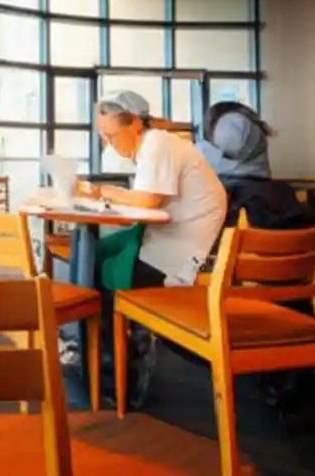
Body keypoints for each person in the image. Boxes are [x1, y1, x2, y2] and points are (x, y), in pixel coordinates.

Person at [80, 90, 227, 406]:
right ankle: (104, 354)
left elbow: (148, 200)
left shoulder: (158, 143)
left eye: (110, 135)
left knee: (100, 268)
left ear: (133, 124)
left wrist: (99, 192)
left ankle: (120, 367)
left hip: (177, 251)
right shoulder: (156, 145)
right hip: (168, 236)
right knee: (95, 254)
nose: (108, 143)